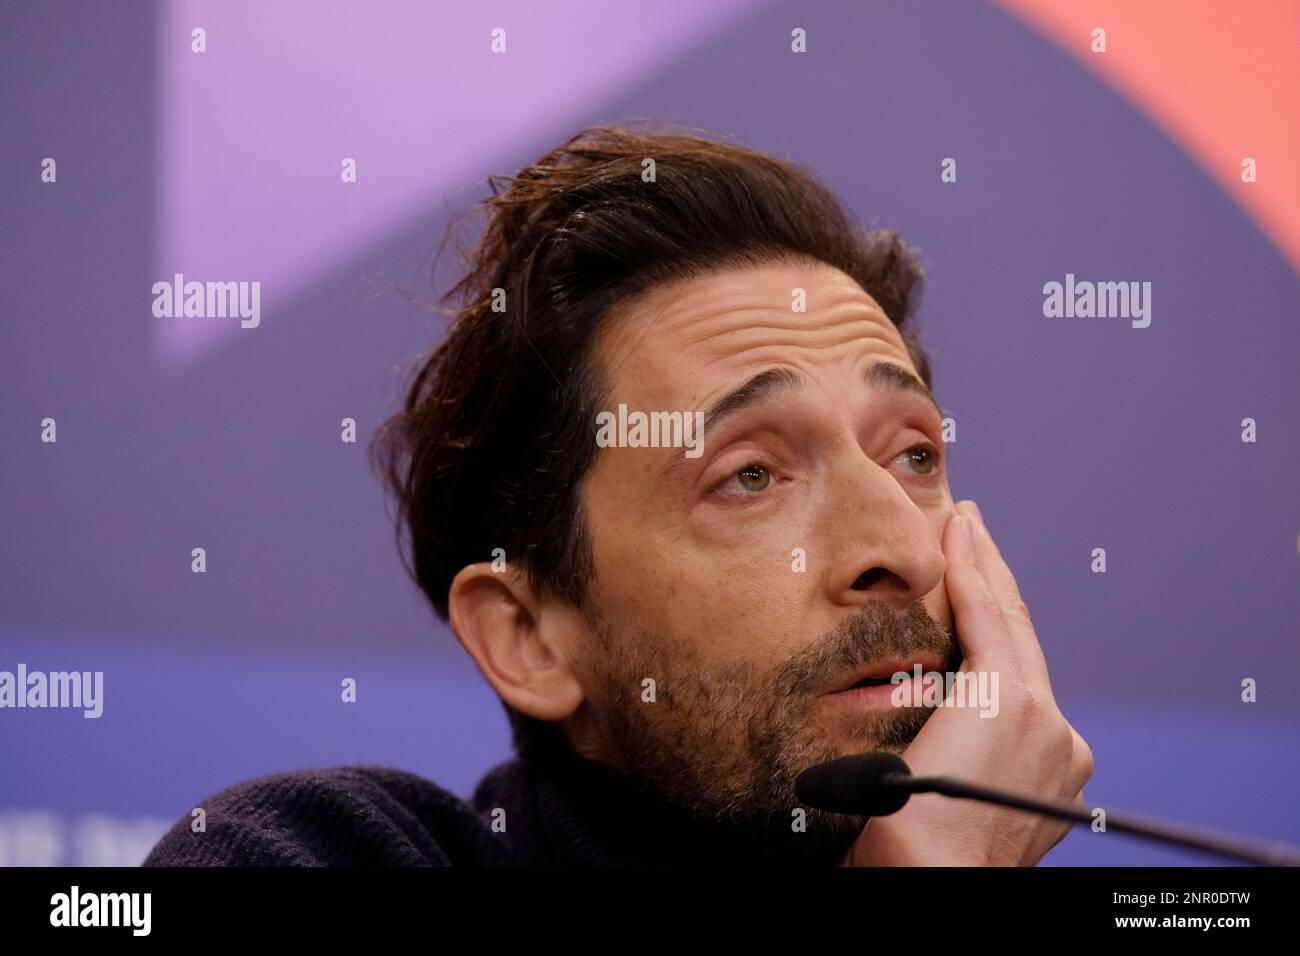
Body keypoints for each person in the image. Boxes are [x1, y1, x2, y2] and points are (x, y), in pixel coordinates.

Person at [145, 123, 1092, 867]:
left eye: (913, 458)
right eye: (750, 475)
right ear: (529, 637)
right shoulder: (308, 854)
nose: (907, 551)